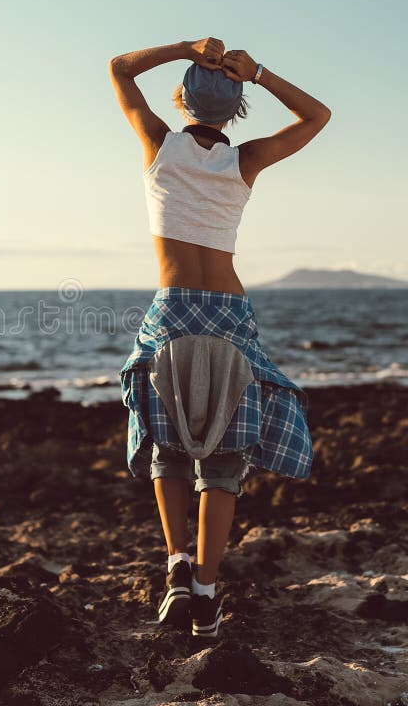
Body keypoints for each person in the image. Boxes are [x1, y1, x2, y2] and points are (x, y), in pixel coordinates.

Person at [108, 38, 331, 639]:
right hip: (229, 311)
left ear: (181, 99)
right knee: (224, 461)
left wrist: (187, 47)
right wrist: (258, 74)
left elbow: (120, 69)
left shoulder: (158, 144)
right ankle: (205, 593)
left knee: (168, 446)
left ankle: (176, 565)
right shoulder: (246, 160)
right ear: (236, 110)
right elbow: (317, 116)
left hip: (175, 307)